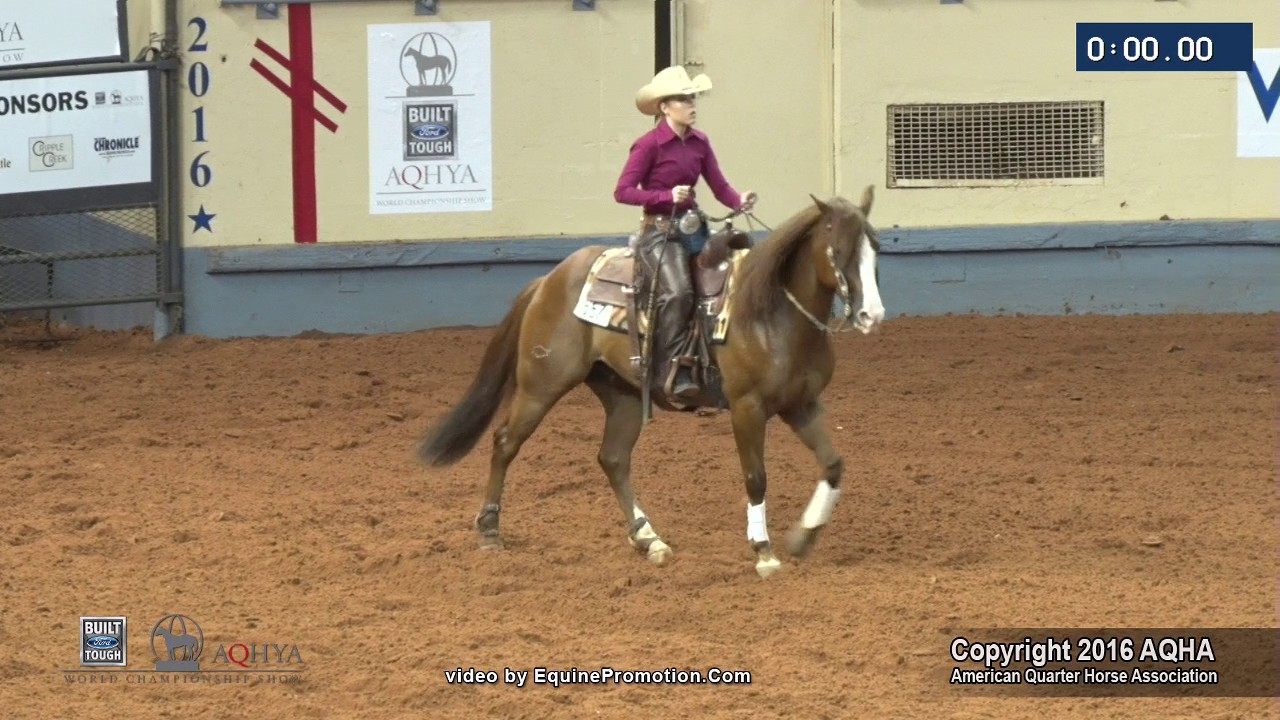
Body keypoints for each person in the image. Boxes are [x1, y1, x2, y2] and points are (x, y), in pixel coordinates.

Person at [614, 66, 757, 403]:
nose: (692, 104)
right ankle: (671, 371)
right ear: (665, 107)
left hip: (694, 230)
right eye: (683, 98)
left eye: (692, 98)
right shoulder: (648, 146)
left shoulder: (700, 142)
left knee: (728, 285)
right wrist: (665, 197)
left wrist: (739, 201)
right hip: (659, 234)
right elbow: (622, 191)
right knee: (677, 293)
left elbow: (718, 185)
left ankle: (716, 366)